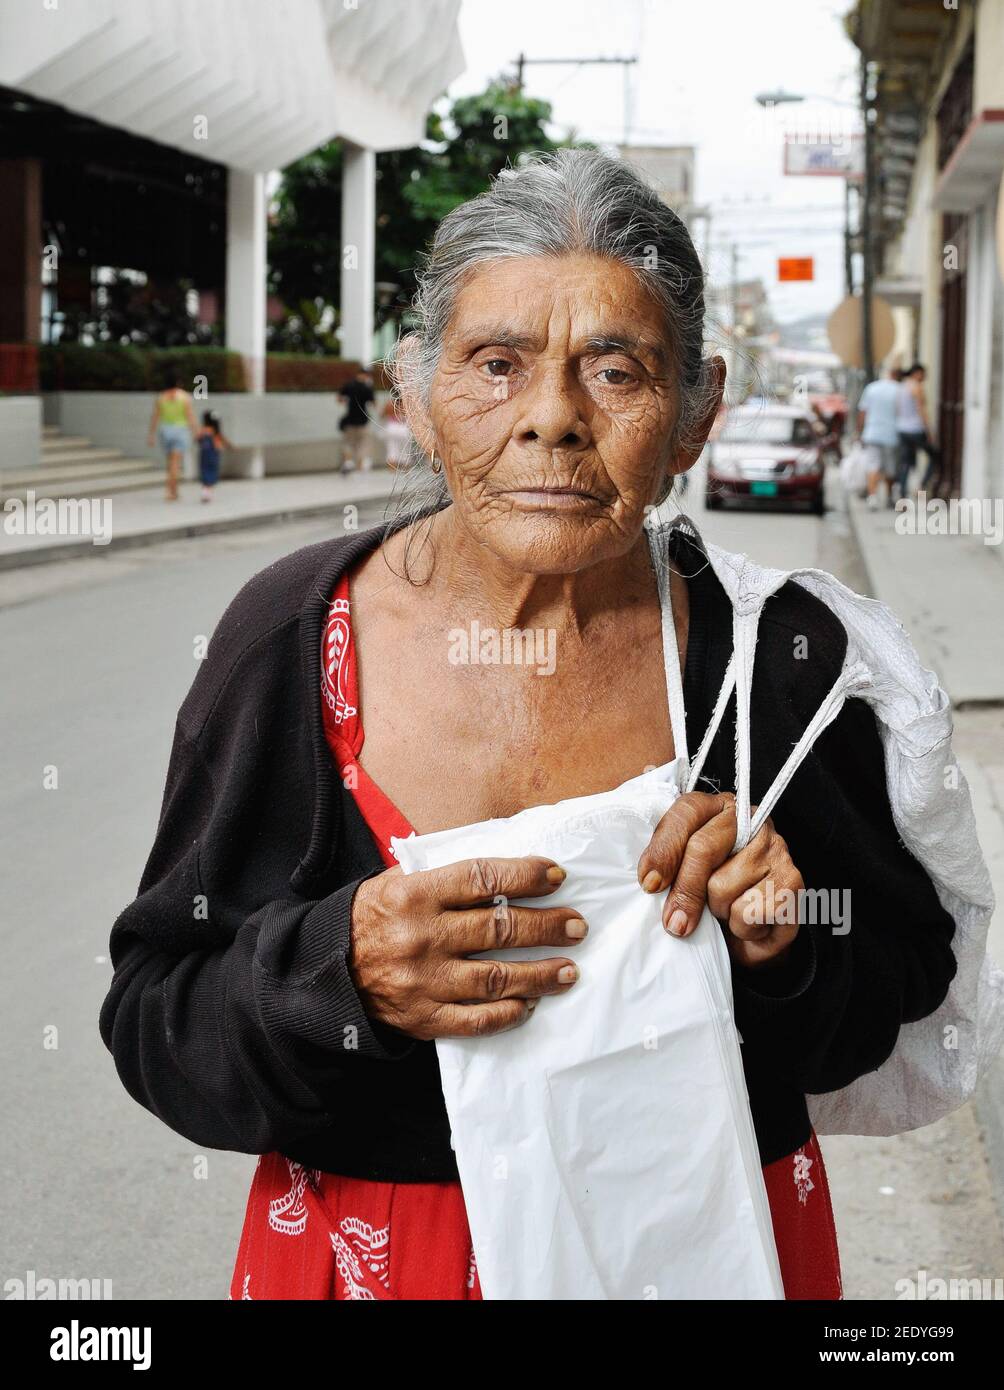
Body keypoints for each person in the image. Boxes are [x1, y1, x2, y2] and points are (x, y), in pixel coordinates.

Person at [101, 150, 957, 1302]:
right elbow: (157, 1013)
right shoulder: (292, 639)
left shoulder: (778, 658)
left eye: (615, 371)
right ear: (414, 394)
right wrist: (336, 975)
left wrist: (782, 936)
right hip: (373, 1264)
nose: (551, 419)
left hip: (706, 1250)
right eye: (494, 364)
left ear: (695, 412)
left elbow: (896, 984)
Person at [855, 367, 901, 510]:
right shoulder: (899, 390)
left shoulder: (871, 388)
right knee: (890, 467)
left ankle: (872, 497)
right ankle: (888, 497)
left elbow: (863, 412)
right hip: (891, 434)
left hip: (872, 433)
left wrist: (859, 432)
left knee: (873, 466)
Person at [147, 377, 197, 501]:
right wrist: (196, 431)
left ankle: (174, 490)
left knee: (170, 462)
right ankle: (170, 491)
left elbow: (155, 417)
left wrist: (151, 434)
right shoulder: (184, 397)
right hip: (180, 431)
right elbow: (189, 415)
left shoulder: (161, 397)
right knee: (176, 463)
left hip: (165, 431)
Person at [896, 362, 937, 499]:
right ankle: (921, 487)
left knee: (905, 462)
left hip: (902, 428)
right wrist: (929, 432)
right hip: (916, 429)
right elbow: (921, 411)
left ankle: (902, 494)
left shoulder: (901, 387)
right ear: (917, 373)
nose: (925, 377)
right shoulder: (917, 387)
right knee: (935, 456)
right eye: (923, 374)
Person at [338, 367, 375, 473]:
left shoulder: (349, 385)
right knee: (362, 443)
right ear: (366, 376)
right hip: (363, 420)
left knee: (348, 442)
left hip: (349, 419)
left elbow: (339, 398)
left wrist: (346, 402)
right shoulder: (367, 388)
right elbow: (373, 403)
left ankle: (348, 462)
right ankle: (359, 465)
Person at [196, 410, 234, 504]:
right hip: (213, 454)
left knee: (205, 471)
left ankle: (205, 491)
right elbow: (224, 441)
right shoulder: (215, 431)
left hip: (204, 455)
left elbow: (198, 439)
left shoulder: (203, 430)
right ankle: (208, 492)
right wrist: (230, 447)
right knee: (212, 472)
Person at [381, 394, 412, 470]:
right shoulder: (406, 404)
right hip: (403, 427)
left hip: (392, 426)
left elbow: (382, 415)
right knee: (405, 448)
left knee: (392, 447)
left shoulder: (389, 404)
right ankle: (406, 467)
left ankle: (392, 468)